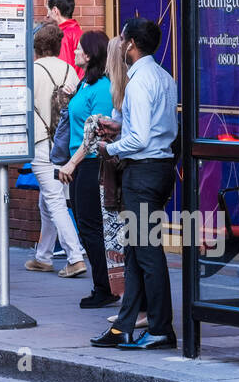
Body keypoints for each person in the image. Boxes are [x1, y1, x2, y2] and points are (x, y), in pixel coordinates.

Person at [90, 18, 179, 350]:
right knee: (136, 253)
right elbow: (152, 128)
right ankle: (125, 327)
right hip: (158, 168)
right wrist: (119, 127)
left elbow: (140, 138)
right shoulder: (164, 78)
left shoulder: (140, 82)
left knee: (146, 253)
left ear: (130, 45)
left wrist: (109, 147)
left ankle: (160, 328)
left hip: (143, 171)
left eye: (123, 39)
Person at [57, 30, 118, 308]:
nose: (75, 52)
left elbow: (97, 133)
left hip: (92, 164)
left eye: (79, 49)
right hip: (79, 164)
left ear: (91, 54)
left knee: (92, 227)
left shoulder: (103, 87)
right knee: (85, 226)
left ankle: (105, 287)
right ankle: (101, 284)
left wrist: (73, 162)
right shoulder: (85, 83)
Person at [26, 22, 86, 278]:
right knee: (48, 200)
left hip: (41, 143)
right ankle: (44, 256)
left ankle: (75, 256)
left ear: (36, 47)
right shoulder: (70, 70)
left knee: (55, 201)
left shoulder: (32, 71)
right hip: (65, 145)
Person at [47, 0, 82, 69]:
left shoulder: (62, 36)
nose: (47, 15)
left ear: (55, 10)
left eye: (48, 10)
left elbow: (62, 71)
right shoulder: (79, 32)